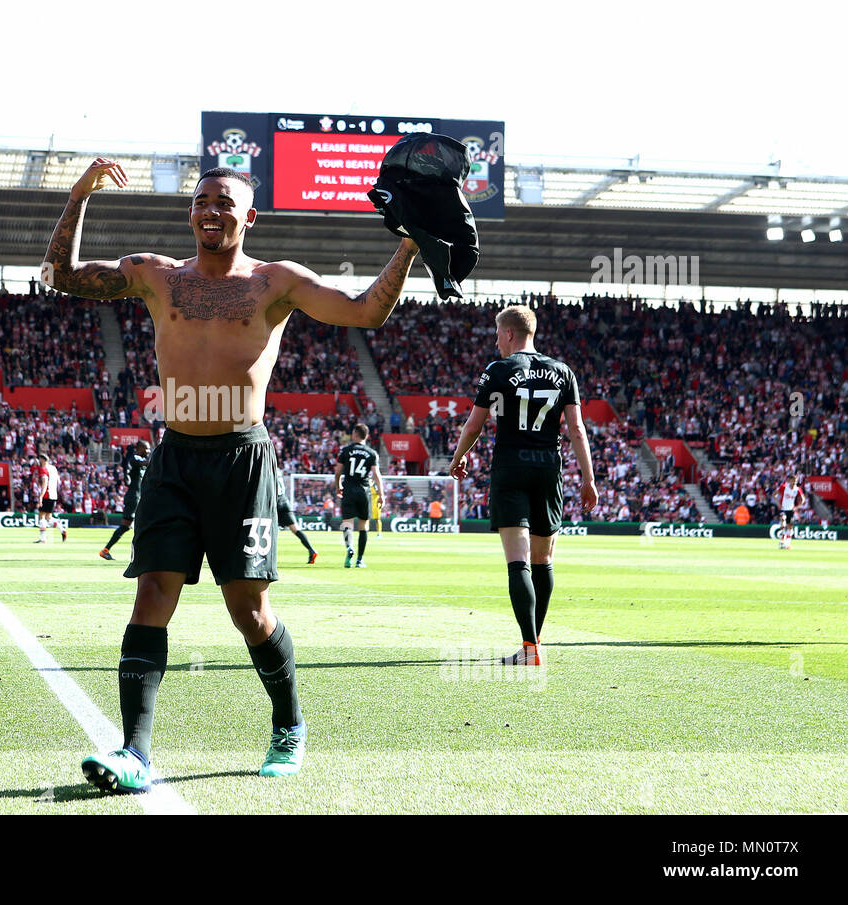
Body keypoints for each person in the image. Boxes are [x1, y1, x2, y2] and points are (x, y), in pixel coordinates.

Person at [44, 159, 416, 791]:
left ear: (249, 217)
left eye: (224, 202)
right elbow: (62, 277)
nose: (210, 210)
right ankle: (133, 753)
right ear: (190, 213)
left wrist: (408, 246)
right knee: (153, 594)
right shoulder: (156, 276)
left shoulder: (276, 282)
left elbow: (364, 312)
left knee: (249, 611)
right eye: (201, 200)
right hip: (175, 459)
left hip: (242, 461)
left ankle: (289, 725)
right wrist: (80, 195)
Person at [448, 305, 598, 666]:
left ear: (511, 333)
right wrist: (589, 479)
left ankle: (530, 648)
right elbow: (576, 429)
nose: (496, 340)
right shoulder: (564, 372)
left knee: (518, 561)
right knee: (544, 560)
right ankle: (535, 644)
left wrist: (458, 457)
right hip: (549, 469)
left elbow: (474, 425)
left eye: (498, 334)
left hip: (511, 468)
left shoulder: (498, 370)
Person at [335, 424, 383, 569]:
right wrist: (381, 494)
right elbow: (376, 474)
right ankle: (360, 560)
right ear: (366, 436)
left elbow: (338, 471)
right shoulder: (372, 453)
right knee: (364, 526)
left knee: (348, 523)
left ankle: (349, 547)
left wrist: (338, 486)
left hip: (348, 490)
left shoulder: (345, 450)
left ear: (355, 434)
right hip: (364, 491)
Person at [100, 440, 150, 561]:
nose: (148, 451)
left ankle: (139, 553)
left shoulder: (139, 461)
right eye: (146, 449)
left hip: (139, 498)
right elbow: (146, 463)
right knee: (126, 526)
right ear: (140, 448)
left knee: (139, 525)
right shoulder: (134, 458)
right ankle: (106, 550)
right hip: (133, 498)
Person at [275, 467, 318, 564]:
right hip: (284, 501)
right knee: (296, 529)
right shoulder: (278, 470)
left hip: (274, 503)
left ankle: (267, 557)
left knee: (270, 529)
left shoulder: (267, 469)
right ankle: (311, 550)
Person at [35, 452, 66, 543]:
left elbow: (45, 484)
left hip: (47, 495)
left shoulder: (44, 469)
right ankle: (62, 530)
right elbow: (58, 481)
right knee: (48, 517)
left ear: (43, 460)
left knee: (41, 516)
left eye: (40, 459)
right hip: (53, 495)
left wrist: (41, 497)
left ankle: (43, 539)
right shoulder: (53, 468)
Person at [776, 475, 806, 549]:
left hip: (791, 510)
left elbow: (803, 500)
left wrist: (797, 507)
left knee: (790, 526)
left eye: (796, 481)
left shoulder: (797, 489)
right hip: (783, 508)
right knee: (783, 519)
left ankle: (788, 543)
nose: (794, 482)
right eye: (793, 480)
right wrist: (778, 503)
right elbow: (774, 495)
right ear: (790, 480)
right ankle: (783, 539)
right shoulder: (784, 487)